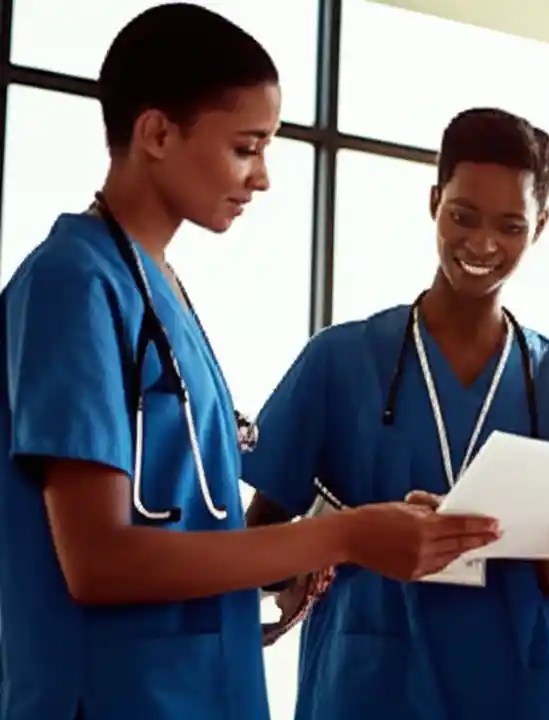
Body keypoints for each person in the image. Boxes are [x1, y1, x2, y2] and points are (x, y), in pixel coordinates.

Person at [0, 6, 492, 719]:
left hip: (196, 689)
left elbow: (180, 530)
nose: (261, 177)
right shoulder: (72, 285)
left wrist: (283, 569)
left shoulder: (157, 285)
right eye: (246, 147)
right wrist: (345, 534)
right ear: (158, 133)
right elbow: (99, 561)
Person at [240, 107, 549, 720]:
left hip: (517, 688)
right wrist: (328, 552)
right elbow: (259, 546)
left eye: (510, 225)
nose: (483, 244)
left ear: (539, 225)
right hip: (366, 686)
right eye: (463, 216)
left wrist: (535, 523)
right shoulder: (340, 361)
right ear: (434, 201)